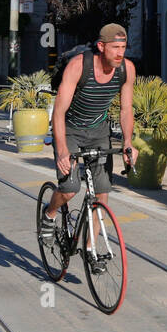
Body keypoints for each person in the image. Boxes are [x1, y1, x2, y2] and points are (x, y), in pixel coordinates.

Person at [40, 24, 138, 245]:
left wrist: (128, 142)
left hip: (99, 130)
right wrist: (63, 150)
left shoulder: (127, 69)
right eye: (115, 47)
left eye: (123, 47)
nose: (120, 53)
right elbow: (59, 112)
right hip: (70, 129)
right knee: (69, 188)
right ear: (101, 46)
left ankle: (90, 247)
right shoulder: (78, 66)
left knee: (102, 193)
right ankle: (50, 214)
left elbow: (126, 109)